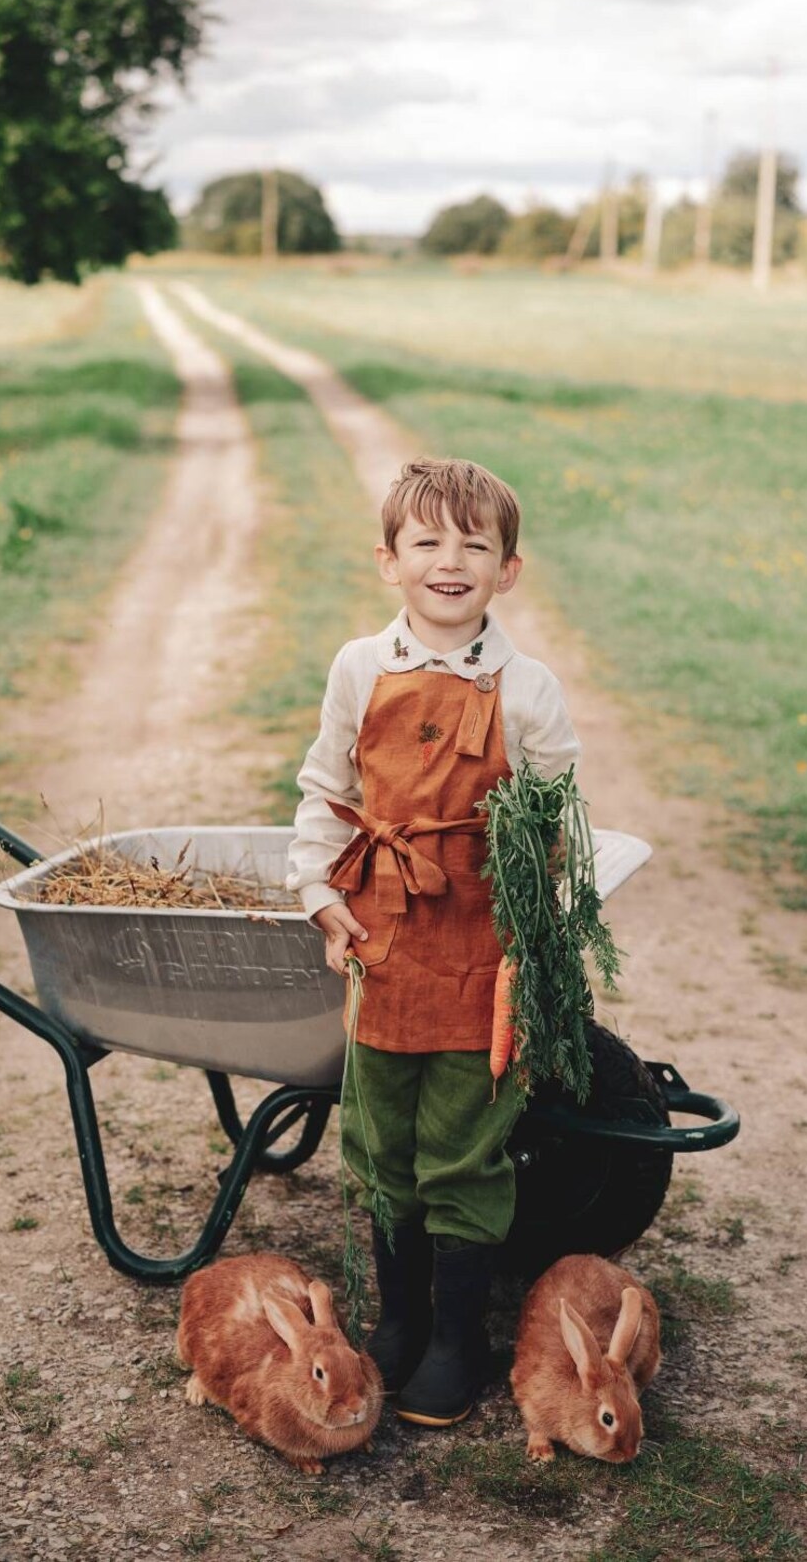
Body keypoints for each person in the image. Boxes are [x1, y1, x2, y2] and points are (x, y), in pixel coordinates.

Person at [285, 456, 581, 1428]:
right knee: (379, 1137)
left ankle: (460, 1337)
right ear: (388, 560)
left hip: (481, 948)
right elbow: (328, 791)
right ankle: (401, 1318)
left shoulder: (527, 690)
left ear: (510, 568)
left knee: (463, 1141)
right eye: (427, 542)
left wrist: (537, 946)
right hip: (382, 937)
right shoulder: (359, 667)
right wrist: (323, 900)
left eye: (474, 544)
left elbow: (553, 823)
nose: (449, 561)